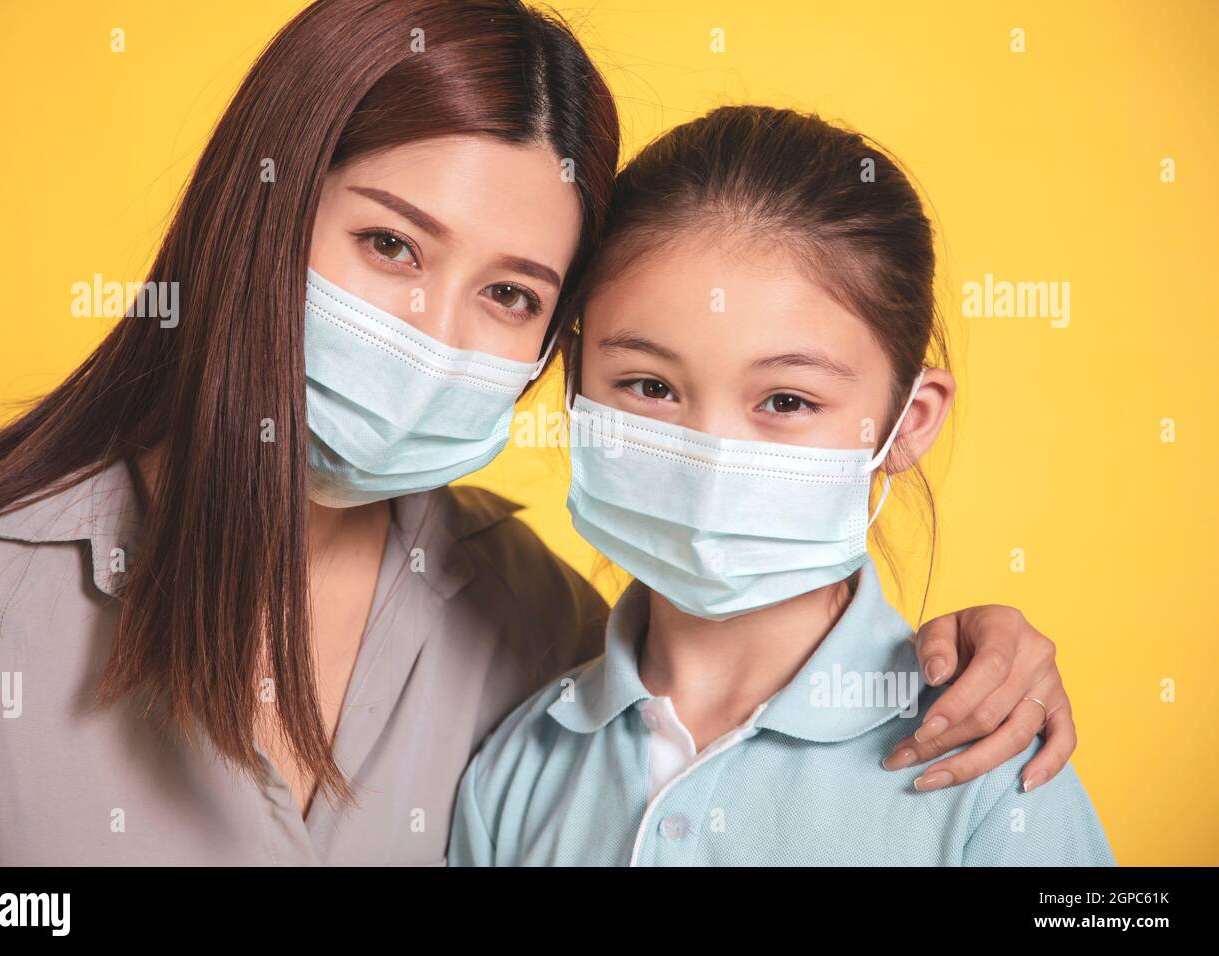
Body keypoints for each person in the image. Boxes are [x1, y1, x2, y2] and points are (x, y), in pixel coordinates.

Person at [0, 1, 1076, 866]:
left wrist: (981, 652)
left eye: (513, 293)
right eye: (389, 246)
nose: (432, 332)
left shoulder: (540, 631)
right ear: (258, 210)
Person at [447, 106, 1114, 866]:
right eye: (649, 386)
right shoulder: (515, 774)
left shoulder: (989, 765)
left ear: (908, 421)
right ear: (574, 384)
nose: (709, 456)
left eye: (786, 401)